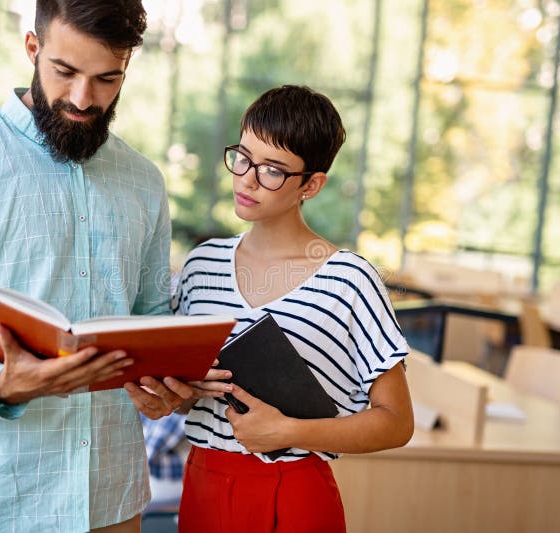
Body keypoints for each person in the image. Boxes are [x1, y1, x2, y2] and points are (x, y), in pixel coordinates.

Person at [0, 1, 221, 531]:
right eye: (65, 71)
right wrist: (1, 385)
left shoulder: (144, 181)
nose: (84, 98)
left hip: (110, 501)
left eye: (107, 78)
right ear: (32, 48)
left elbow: (152, 317)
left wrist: (165, 389)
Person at [173, 85, 415, 532]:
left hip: (295, 492)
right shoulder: (201, 266)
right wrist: (184, 388)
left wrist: (289, 431)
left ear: (312, 185)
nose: (247, 180)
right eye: (243, 158)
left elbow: (397, 423)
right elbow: (178, 396)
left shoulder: (349, 279)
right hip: (203, 485)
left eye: (272, 170)